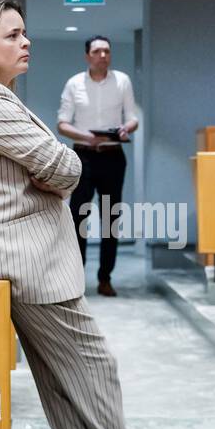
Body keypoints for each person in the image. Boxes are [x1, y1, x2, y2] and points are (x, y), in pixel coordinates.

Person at [0, 0, 197, 429]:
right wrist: (56, 168)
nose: (25, 42)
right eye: (12, 36)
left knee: (60, 382)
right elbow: (63, 165)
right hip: (23, 260)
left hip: (2, 259)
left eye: (24, 33)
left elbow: (51, 167)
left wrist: (51, 169)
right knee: (95, 368)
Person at [58, 35, 138, 297]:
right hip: (83, 157)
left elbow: (132, 118)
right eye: (97, 51)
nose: (103, 55)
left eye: (107, 51)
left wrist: (126, 129)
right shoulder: (74, 84)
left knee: (110, 220)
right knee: (78, 217)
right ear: (87, 56)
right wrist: (87, 137)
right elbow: (63, 123)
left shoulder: (122, 81)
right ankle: (77, 278)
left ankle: (105, 278)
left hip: (113, 156)